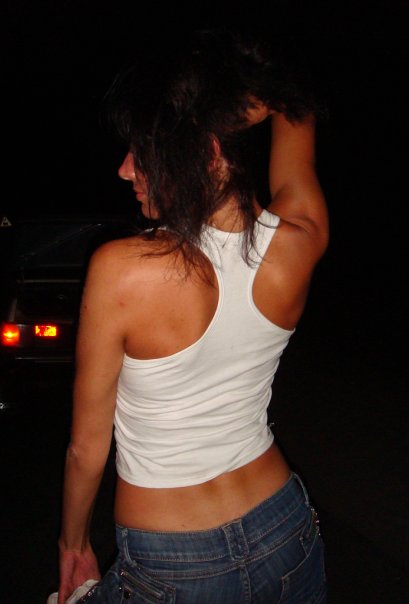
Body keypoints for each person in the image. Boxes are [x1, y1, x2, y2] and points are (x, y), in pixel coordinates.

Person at [56, 29, 329, 603]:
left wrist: (73, 544)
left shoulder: (123, 270)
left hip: (175, 563)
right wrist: (217, 107)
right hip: (285, 527)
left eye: (143, 150)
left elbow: (86, 447)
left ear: (204, 152)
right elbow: (294, 105)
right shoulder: (300, 241)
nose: (125, 170)